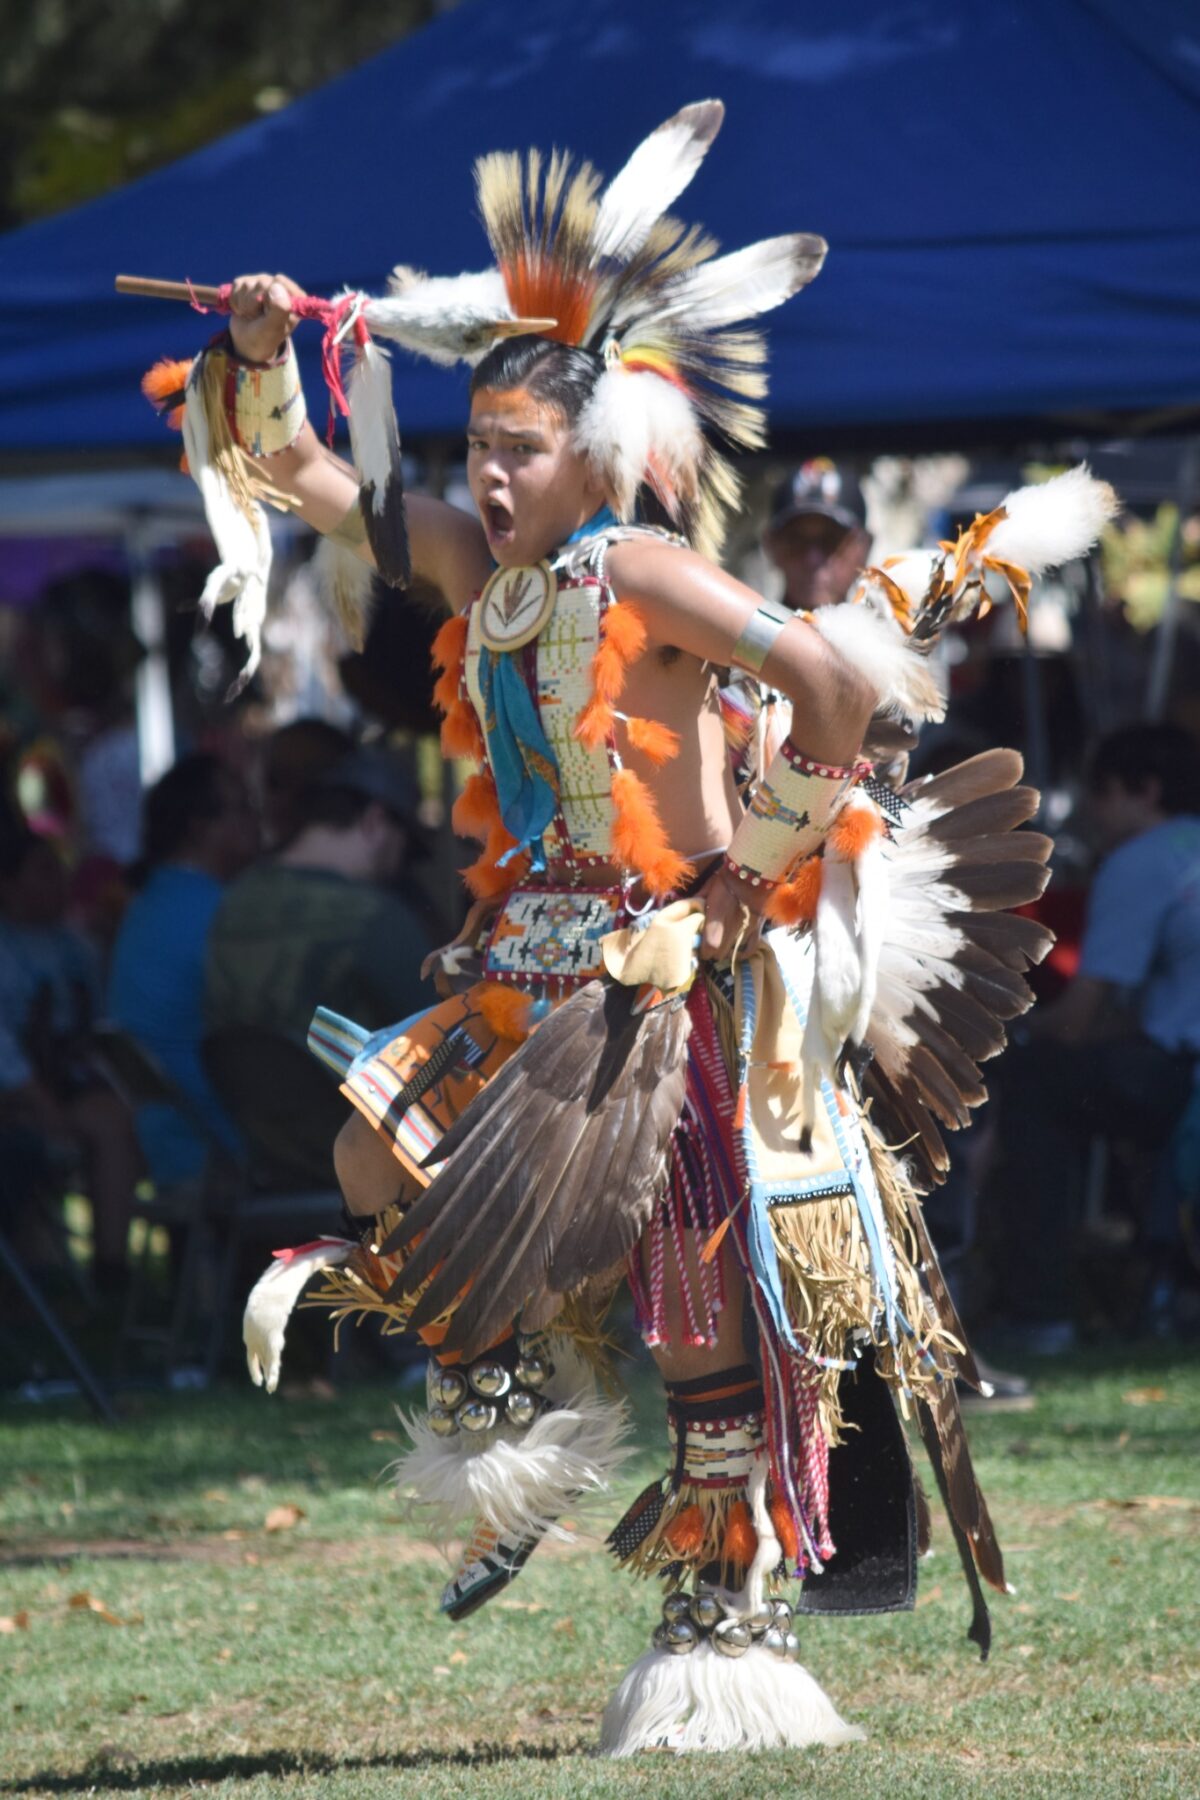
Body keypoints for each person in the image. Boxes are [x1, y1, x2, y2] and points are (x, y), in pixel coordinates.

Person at [152, 103, 1112, 1756]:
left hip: (676, 974)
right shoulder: (482, 576)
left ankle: (727, 1632)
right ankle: (519, 1390)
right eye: (476, 446)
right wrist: (256, 353)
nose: (488, 476)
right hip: (527, 959)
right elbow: (301, 475)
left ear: (595, 457)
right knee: (376, 1144)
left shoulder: (646, 572)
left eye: (520, 450)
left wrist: (744, 883)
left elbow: (826, 683)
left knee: (702, 1306)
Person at [984, 724, 1200, 1344]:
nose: (1094, 813)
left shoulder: (1144, 861)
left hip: (1182, 1075)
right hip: (1178, 1064)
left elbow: (1078, 1020)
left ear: (1145, 790)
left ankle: (1039, 1310)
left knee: (1037, 1083)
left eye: (1102, 794)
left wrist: (1008, 1032)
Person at [206, 746, 434, 1050]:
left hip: (243, 1083)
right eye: (402, 849)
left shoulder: (236, 897)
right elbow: (441, 1039)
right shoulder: (375, 917)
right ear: (374, 821)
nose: (398, 866)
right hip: (351, 1082)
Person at [107, 753, 259, 1188]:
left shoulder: (150, 902)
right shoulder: (219, 913)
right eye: (240, 807)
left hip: (164, 1137)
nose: (254, 820)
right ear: (199, 827)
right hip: (215, 1146)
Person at [0, 823, 140, 1293]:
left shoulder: (76, 946)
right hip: (17, 1096)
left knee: (113, 1118)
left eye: (60, 871)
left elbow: (102, 1031)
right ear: (7, 885)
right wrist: (46, 1110)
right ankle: (52, 1275)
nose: (60, 883)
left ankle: (109, 1270)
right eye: (43, 872)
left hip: (66, 1086)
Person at [762, 459, 872, 614]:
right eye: (796, 542)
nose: (813, 559)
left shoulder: (890, 629)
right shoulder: (741, 628)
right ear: (771, 545)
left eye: (832, 541)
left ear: (864, 548)